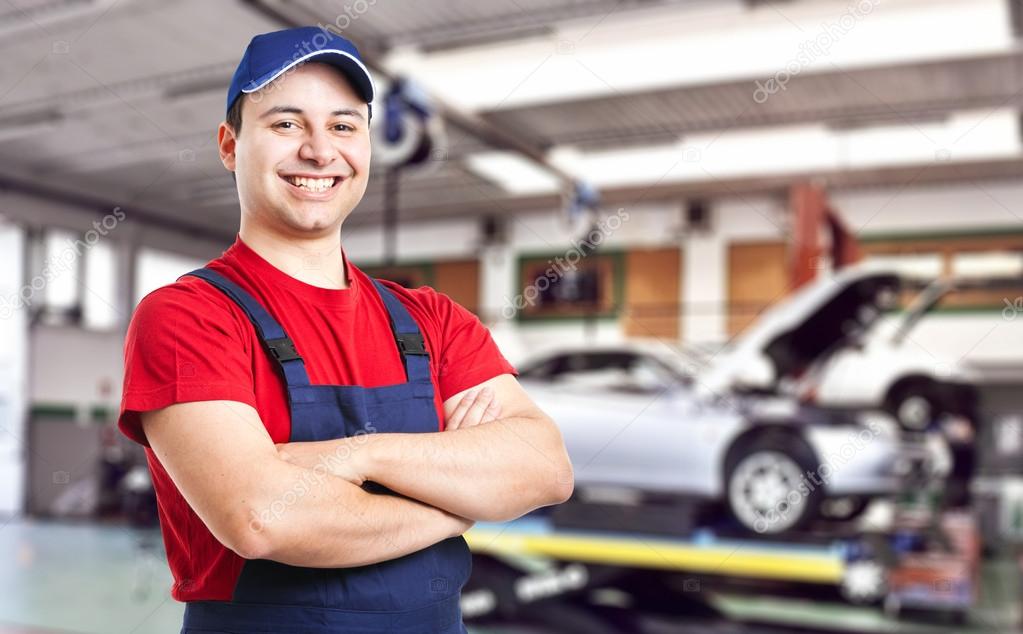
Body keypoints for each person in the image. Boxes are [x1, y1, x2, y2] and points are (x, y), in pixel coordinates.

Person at [117, 26, 574, 634]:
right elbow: (260, 517)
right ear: (229, 145)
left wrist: (356, 456)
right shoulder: (189, 317)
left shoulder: (431, 320)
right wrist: (459, 503)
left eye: (342, 125)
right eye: (286, 124)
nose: (318, 150)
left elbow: (544, 469)